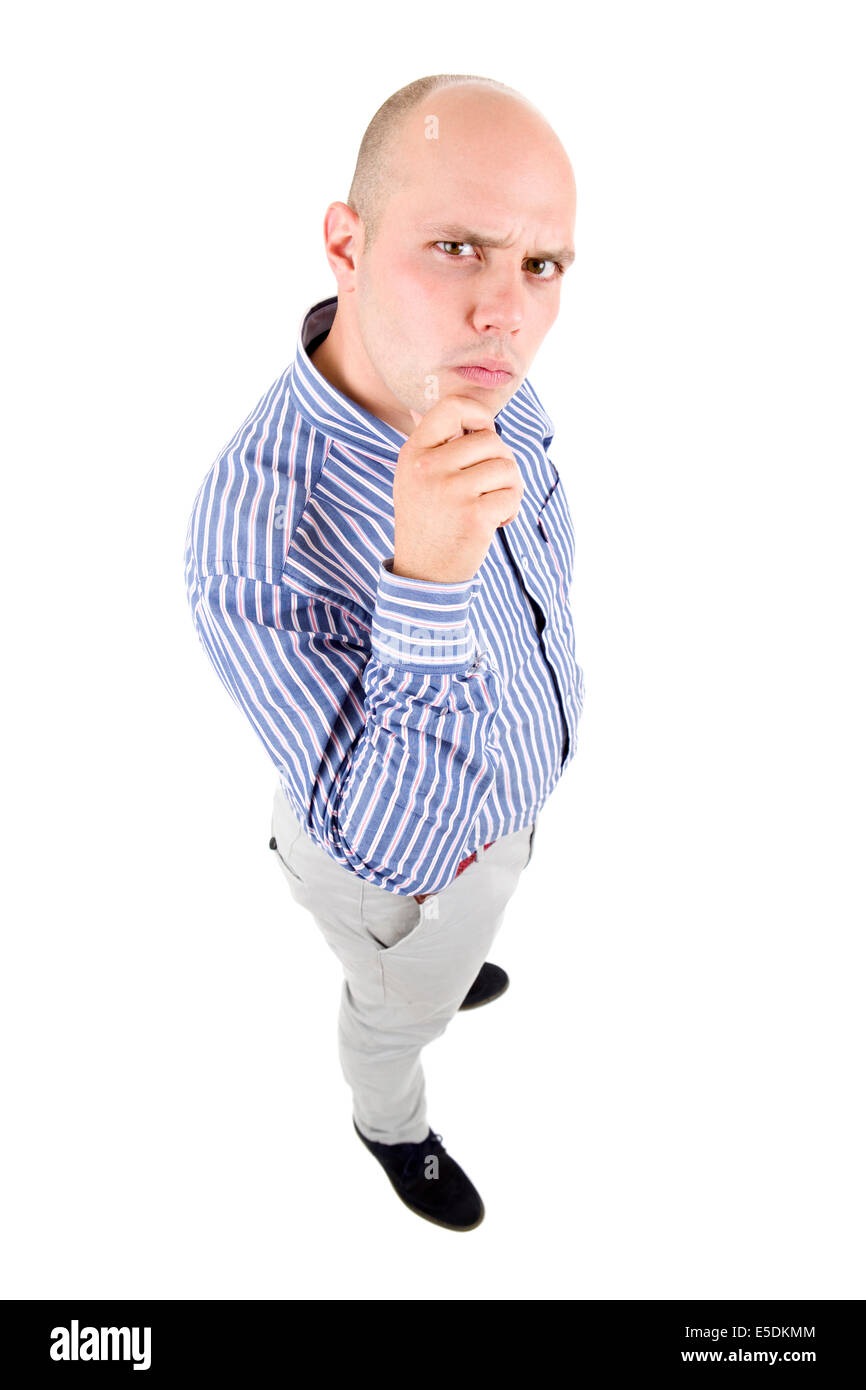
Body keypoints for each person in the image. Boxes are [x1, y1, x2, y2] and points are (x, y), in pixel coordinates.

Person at [183, 73, 585, 1232]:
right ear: (344, 245)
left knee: (453, 949)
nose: (505, 313)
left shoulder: (473, 373)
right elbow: (394, 852)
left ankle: (448, 973)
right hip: (401, 880)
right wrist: (429, 579)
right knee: (392, 1004)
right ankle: (388, 1117)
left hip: (502, 814)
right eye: (456, 245)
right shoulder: (250, 530)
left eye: (540, 266)